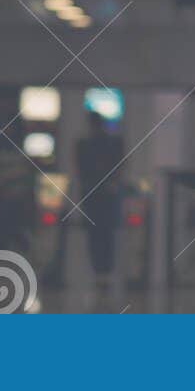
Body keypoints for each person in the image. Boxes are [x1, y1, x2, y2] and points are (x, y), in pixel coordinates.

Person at [75, 109, 124, 304]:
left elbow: (81, 171)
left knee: (95, 234)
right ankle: (105, 271)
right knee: (106, 233)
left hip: (92, 195)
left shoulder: (83, 145)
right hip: (107, 195)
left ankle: (99, 272)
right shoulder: (113, 143)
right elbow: (119, 167)